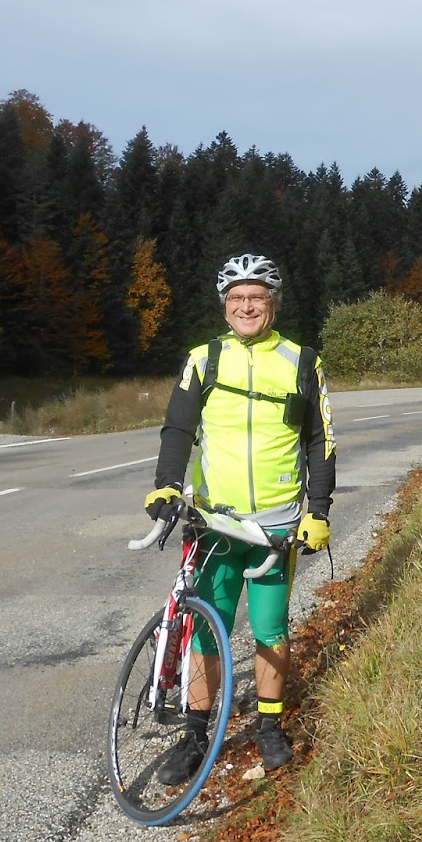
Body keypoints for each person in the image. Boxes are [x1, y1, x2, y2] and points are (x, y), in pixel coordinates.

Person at [142, 253, 335, 782]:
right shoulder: (202, 359)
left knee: (271, 628)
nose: (247, 306)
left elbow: (320, 441)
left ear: (273, 303)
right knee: (208, 629)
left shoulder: (301, 360)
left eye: (257, 297)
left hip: (275, 524)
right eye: (236, 299)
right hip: (215, 525)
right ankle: (195, 734)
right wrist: (166, 483)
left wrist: (318, 509)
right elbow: (178, 429)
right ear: (225, 306)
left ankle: (268, 727)